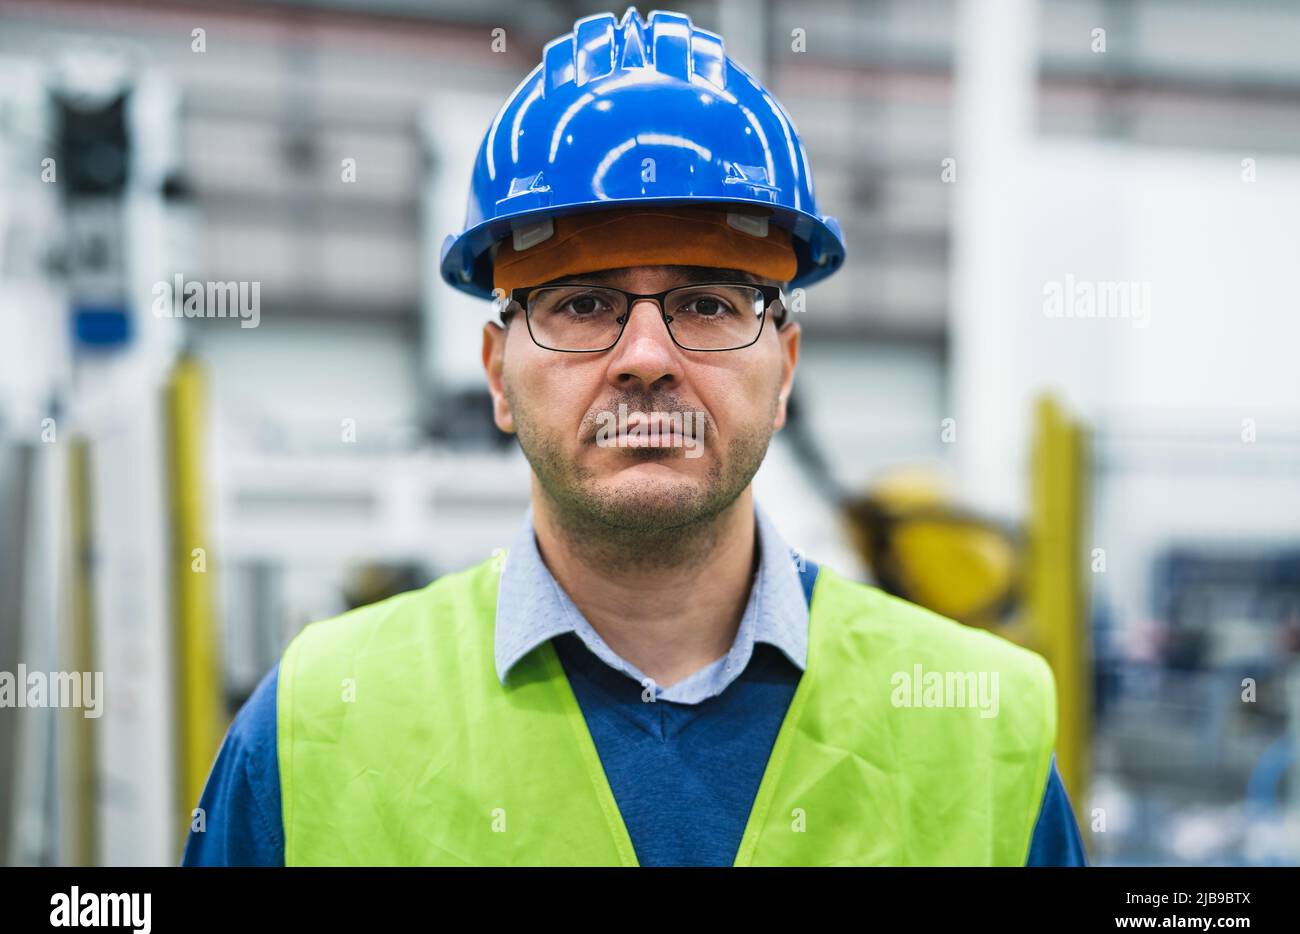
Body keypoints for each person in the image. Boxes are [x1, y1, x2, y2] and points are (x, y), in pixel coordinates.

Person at [184, 6, 1086, 866]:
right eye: (581, 304)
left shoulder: (980, 728)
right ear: (498, 374)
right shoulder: (316, 724)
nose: (645, 357)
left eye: (707, 303)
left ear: (786, 371)